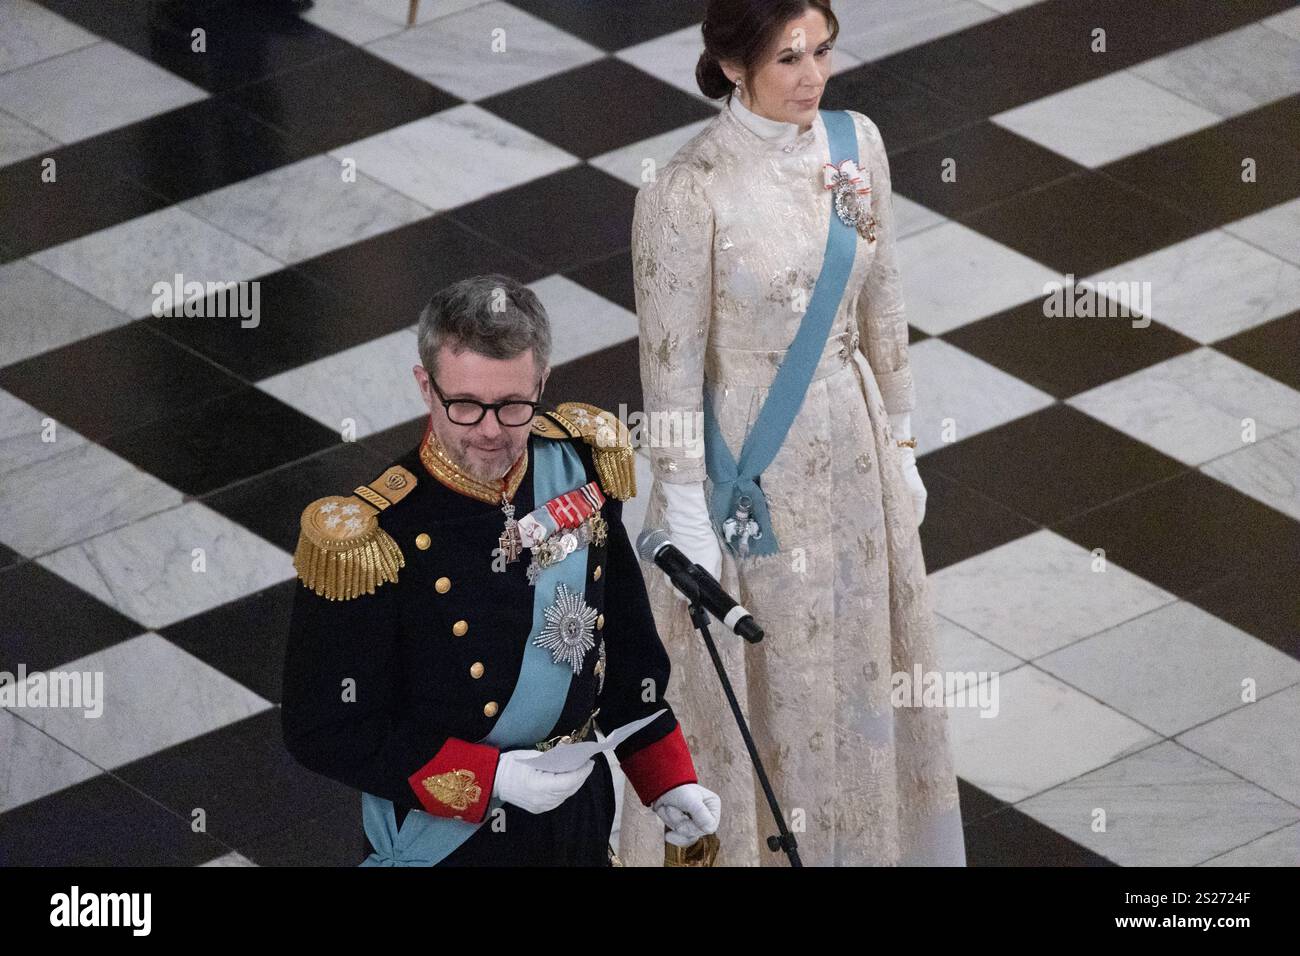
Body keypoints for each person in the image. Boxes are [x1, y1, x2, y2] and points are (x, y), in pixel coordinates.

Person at [619, 0, 966, 866]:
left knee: (855, 661)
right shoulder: (685, 188)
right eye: (788, 59)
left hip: (851, 445)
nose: (813, 76)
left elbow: (883, 298)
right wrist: (687, 501)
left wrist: (905, 439)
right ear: (735, 67)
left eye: (822, 52)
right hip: (745, 468)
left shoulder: (858, 145)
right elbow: (668, 362)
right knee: (774, 681)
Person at [280, 274, 720, 866]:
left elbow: (624, 650)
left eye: (513, 405)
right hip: (454, 842)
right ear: (425, 387)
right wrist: (490, 779)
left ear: (541, 383)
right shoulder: (371, 541)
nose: (490, 431)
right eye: (464, 405)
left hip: (577, 817)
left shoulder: (580, 465)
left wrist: (667, 779)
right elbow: (326, 727)